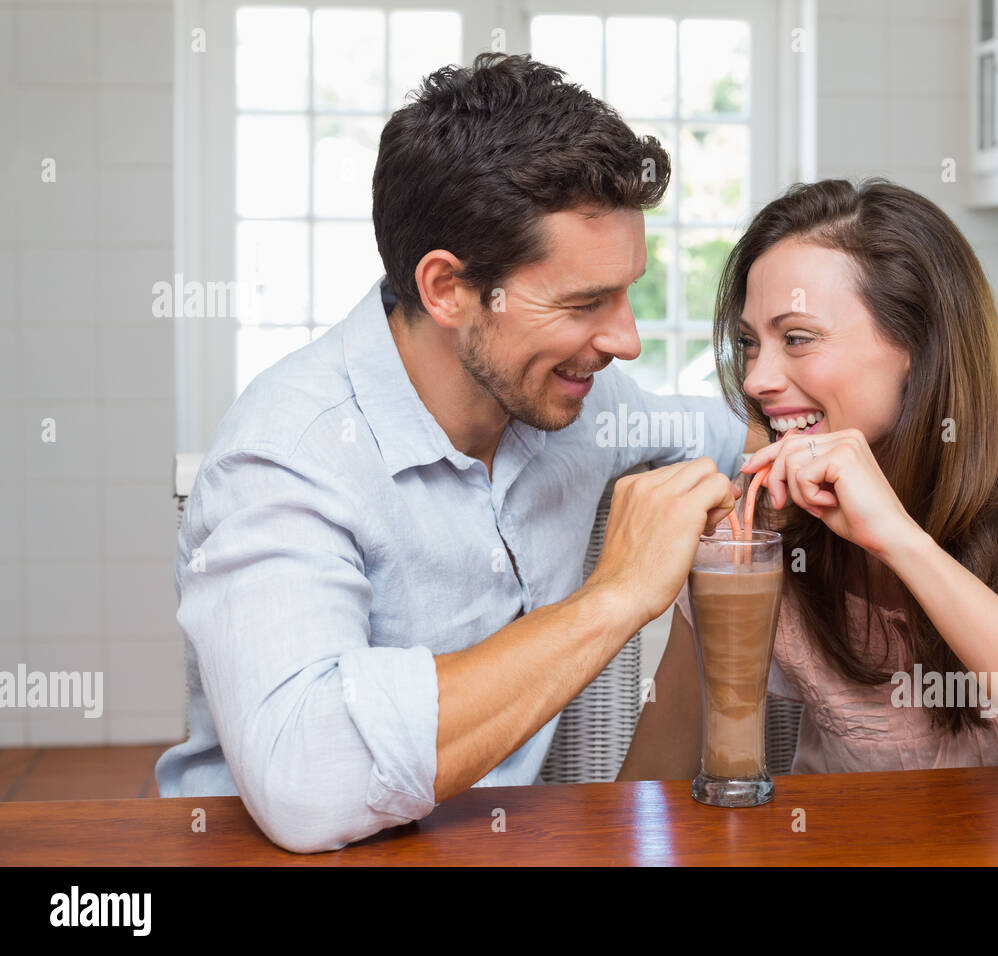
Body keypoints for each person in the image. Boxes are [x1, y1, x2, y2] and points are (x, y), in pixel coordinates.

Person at [156, 53, 763, 853]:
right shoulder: (285, 459)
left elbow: (738, 431)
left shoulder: (579, 402)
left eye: (628, 292)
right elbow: (308, 786)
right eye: (584, 303)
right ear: (447, 288)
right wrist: (614, 596)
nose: (626, 339)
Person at [619, 178, 998, 807]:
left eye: (797, 338)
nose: (757, 379)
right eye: (748, 343)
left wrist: (899, 540)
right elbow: (653, 778)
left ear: (919, 346)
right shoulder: (760, 518)